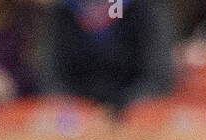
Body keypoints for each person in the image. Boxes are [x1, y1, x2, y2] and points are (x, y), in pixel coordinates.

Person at [36, 0, 175, 111]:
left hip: (134, 116)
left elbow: (158, 77)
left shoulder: (146, 9)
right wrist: (76, 107)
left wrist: (117, 110)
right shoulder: (63, 11)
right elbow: (51, 75)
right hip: (78, 118)